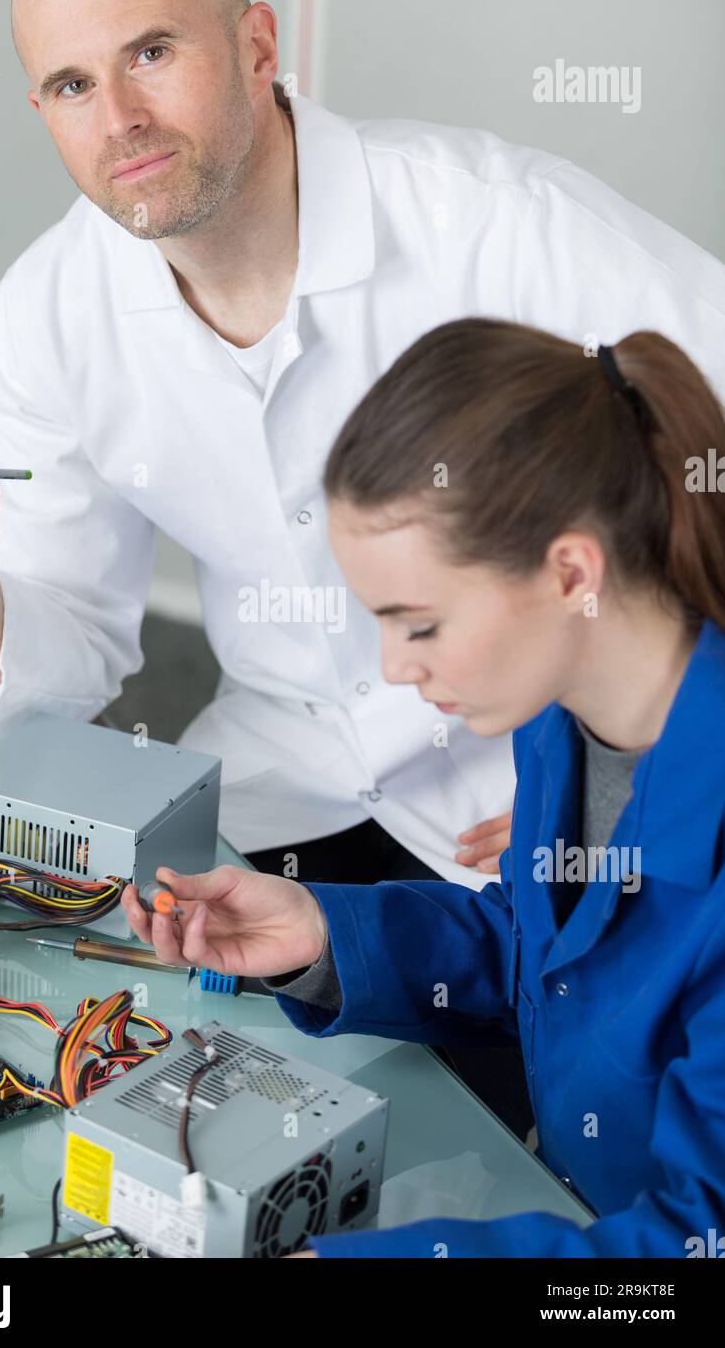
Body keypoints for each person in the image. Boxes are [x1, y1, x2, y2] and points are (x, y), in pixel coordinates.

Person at [0, 0, 724, 1125]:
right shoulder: (51, 305)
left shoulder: (499, 226)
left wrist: (610, 767)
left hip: (506, 793)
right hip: (283, 786)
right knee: (165, 1092)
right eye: (71, 83)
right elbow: (74, 650)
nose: (118, 118)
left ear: (260, 46)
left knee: (579, 1114)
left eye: (151, 53)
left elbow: (693, 443)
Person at [122, 319, 725, 1258]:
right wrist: (324, 935)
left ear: (571, 572)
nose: (395, 671)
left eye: (422, 625)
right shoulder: (561, 717)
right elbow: (560, 970)